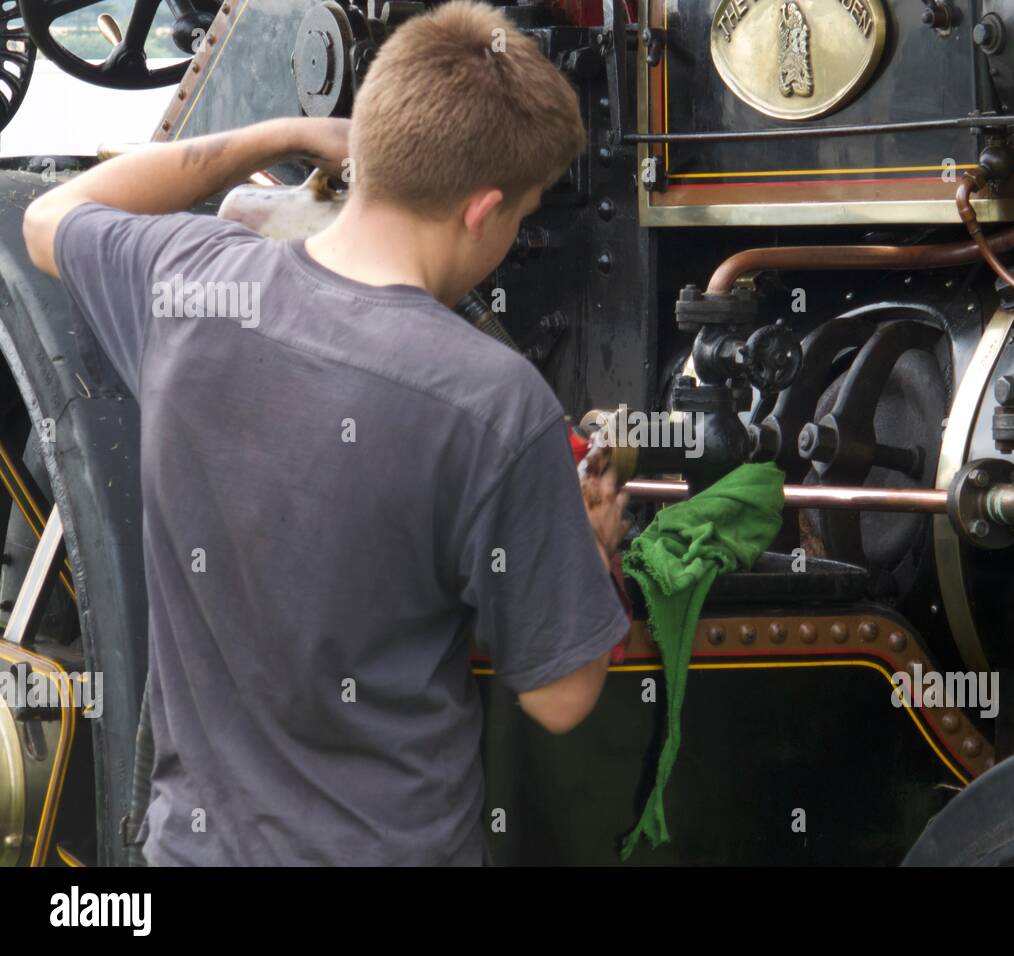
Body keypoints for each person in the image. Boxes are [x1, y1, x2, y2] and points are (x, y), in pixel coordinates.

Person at [22, 0, 629, 866]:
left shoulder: (185, 280)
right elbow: (562, 700)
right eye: (521, 215)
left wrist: (273, 133)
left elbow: (50, 216)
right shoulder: (498, 404)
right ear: (482, 209)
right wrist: (593, 549)